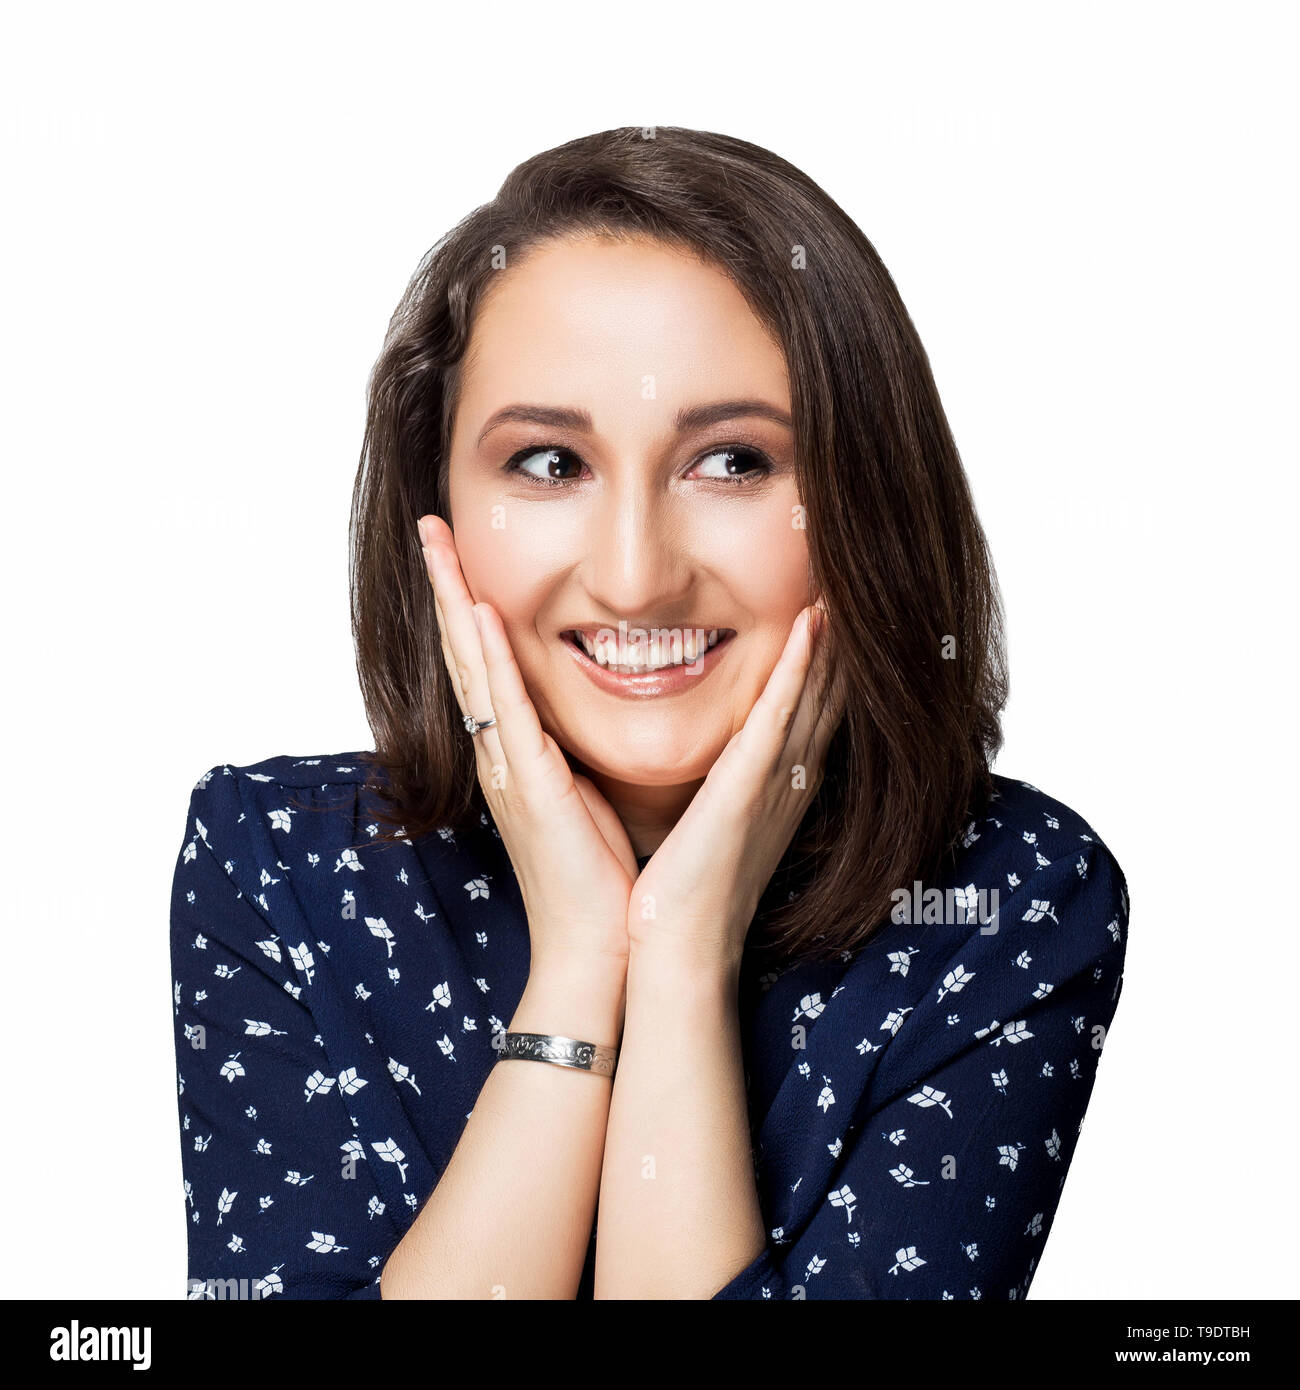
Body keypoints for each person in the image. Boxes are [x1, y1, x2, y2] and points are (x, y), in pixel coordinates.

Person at [169, 126, 1128, 1301]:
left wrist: (679, 956)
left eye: (731, 463)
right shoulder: (280, 862)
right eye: (548, 464)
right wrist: (581, 955)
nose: (634, 576)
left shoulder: (1007, 901)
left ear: (863, 496)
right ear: (441, 511)